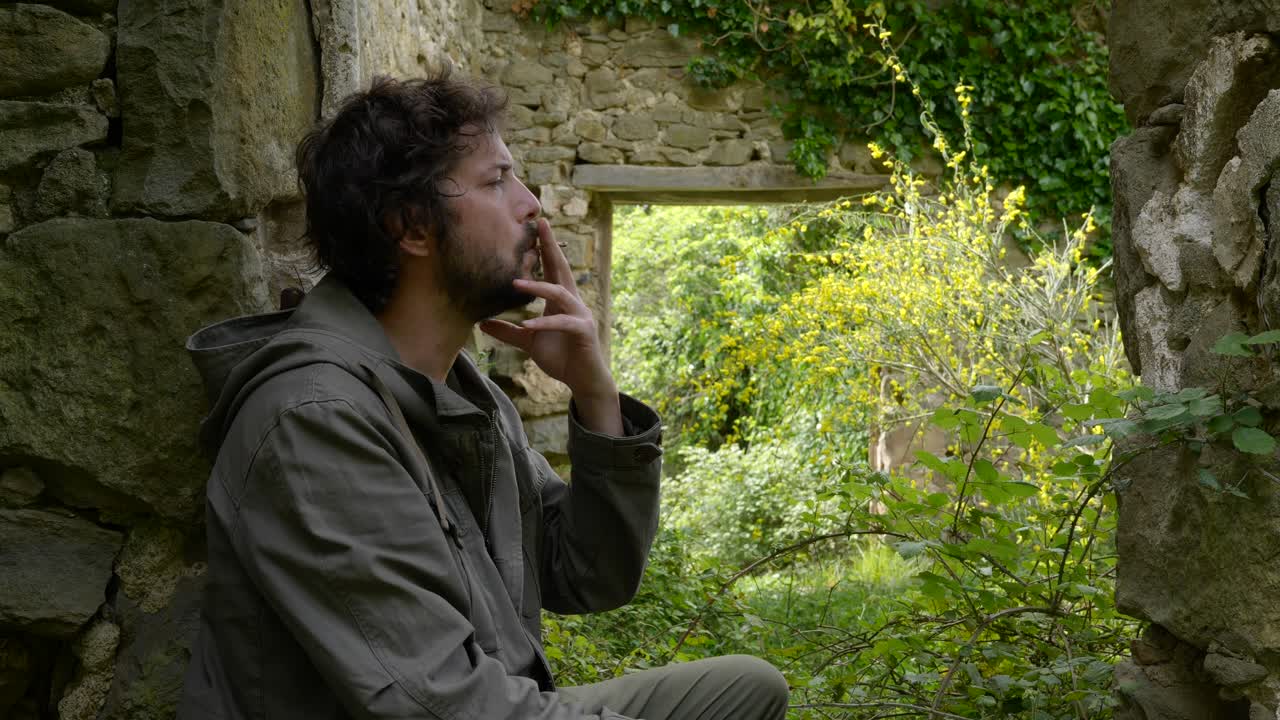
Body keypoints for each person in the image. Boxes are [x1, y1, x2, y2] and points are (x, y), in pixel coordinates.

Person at [177, 72, 789, 720]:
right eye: (498, 181)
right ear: (412, 226)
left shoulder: (464, 394)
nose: (532, 206)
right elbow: (444, 705)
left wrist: (594, 394)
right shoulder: (315, 421)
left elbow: (586, 573)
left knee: (746, 690)